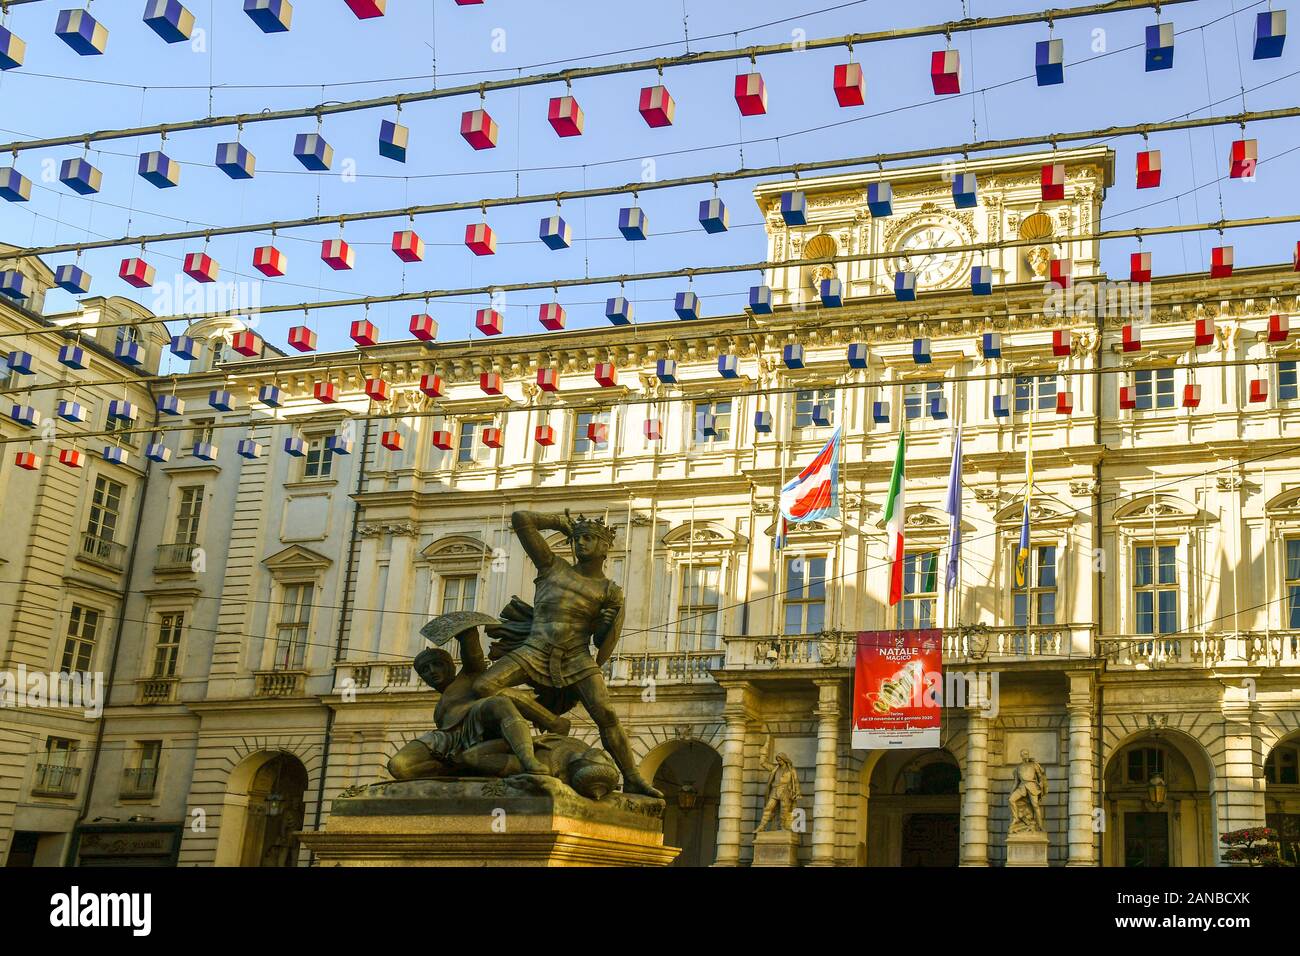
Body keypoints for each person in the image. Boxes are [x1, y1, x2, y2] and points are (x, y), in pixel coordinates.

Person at [471, 509, 663, 799]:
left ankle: (633, 777)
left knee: (607, 715)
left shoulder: (609, 590)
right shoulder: (551, 566)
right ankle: (551, 721)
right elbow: (521, 518)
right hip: (534, 648)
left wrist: (607, 623)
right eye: (577, 539)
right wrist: (557, 523)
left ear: (603, 546)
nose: (580, 544)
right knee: (483, 687)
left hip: (576, 655)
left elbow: (601, 642)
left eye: (587, 538)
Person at [388, 622, 569, 781]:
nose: (432, 671)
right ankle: (453, 769)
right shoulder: (439, 709)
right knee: (398, 766)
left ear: (451, 666)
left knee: (498, 701)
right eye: (425, 670)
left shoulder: (469, 675)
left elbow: (472, 652)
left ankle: (528, 759)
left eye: (438, 664)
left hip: (475, 717)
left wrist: (465, 632)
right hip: (445, 739)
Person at [756, 752, 801, 832]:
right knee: (768, 808)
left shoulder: (791, 770)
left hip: (785, 791)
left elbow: (796, 781)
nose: (778, 762)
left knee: (784, 811)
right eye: (777, 760)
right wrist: (763, 753)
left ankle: (783, 827)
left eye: (780, 760)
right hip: (775, 791)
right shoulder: (775, 768)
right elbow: (763, 763)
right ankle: (762, 826)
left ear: (784, 760)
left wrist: (797, 792)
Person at [1008, 749, 1048, 833]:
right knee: (1011, 799)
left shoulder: (1034, 765)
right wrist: (1011, 792)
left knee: (1035, 805)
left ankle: (1040, 825)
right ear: (1021, 756)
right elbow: (1016, 782)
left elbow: (1040, 776)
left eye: (1026, 754)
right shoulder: (1018, 768)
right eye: (1023, 754)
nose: (1025, 755)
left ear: (1028, 755)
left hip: (1032, 786)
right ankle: (1016, 819)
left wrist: (1041, 784)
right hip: (1022, 787)